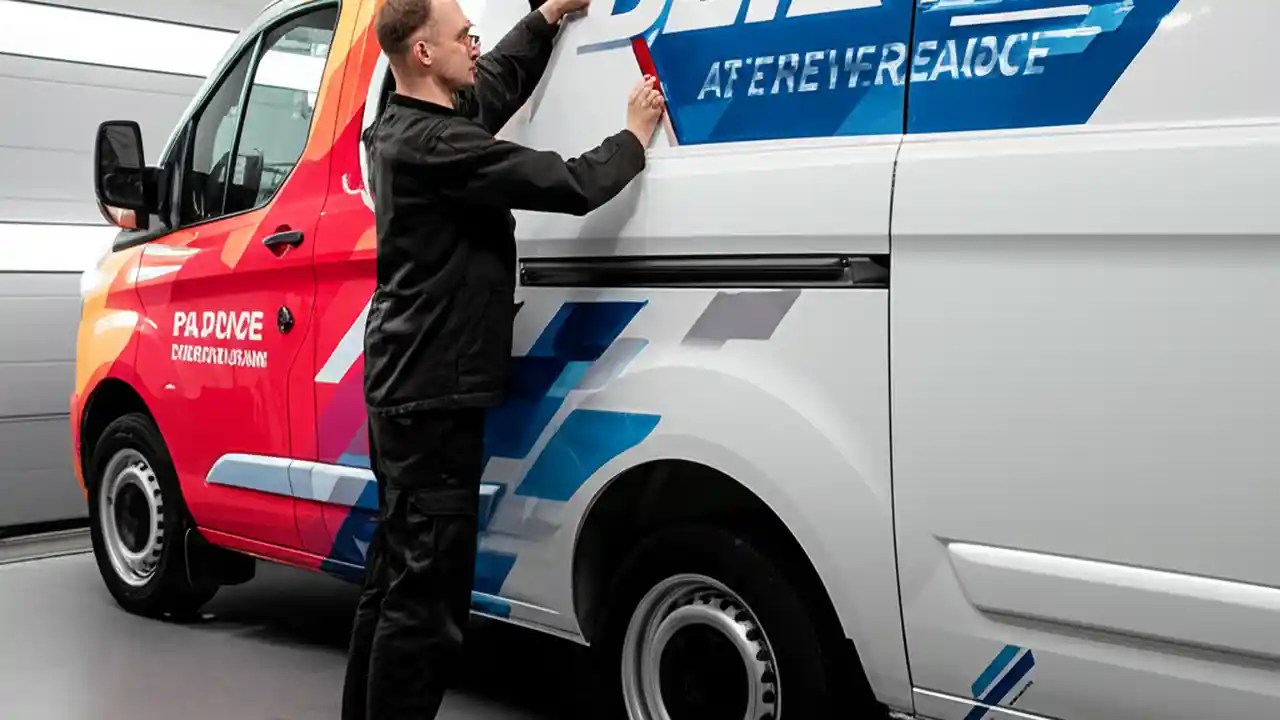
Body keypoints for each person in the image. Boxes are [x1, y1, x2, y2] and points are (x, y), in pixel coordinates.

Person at [341, 0, 666, 716]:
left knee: (395, 576)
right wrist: (634, 137)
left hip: (404, 388)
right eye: (463, 35)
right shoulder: (438, 148)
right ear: (423, 54)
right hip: (429, 399)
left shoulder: (403, 127)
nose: (475, 44)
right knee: (427, 603)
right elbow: (569, 184)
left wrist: (547, 16)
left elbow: (493, 86)